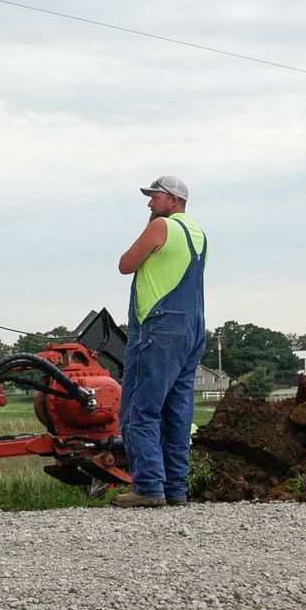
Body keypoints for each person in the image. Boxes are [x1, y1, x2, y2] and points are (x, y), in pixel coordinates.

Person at [112, 175, 208, 508]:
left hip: (161, 328)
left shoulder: (161, 228)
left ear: (174, 201)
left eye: (155, 197)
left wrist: (153, 223)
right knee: (179, 412)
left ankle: (149, 487)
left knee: (140, 408)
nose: (150, 203)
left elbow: (125, 265)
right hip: (193, 329)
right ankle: (176, 489)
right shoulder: (198, 233)